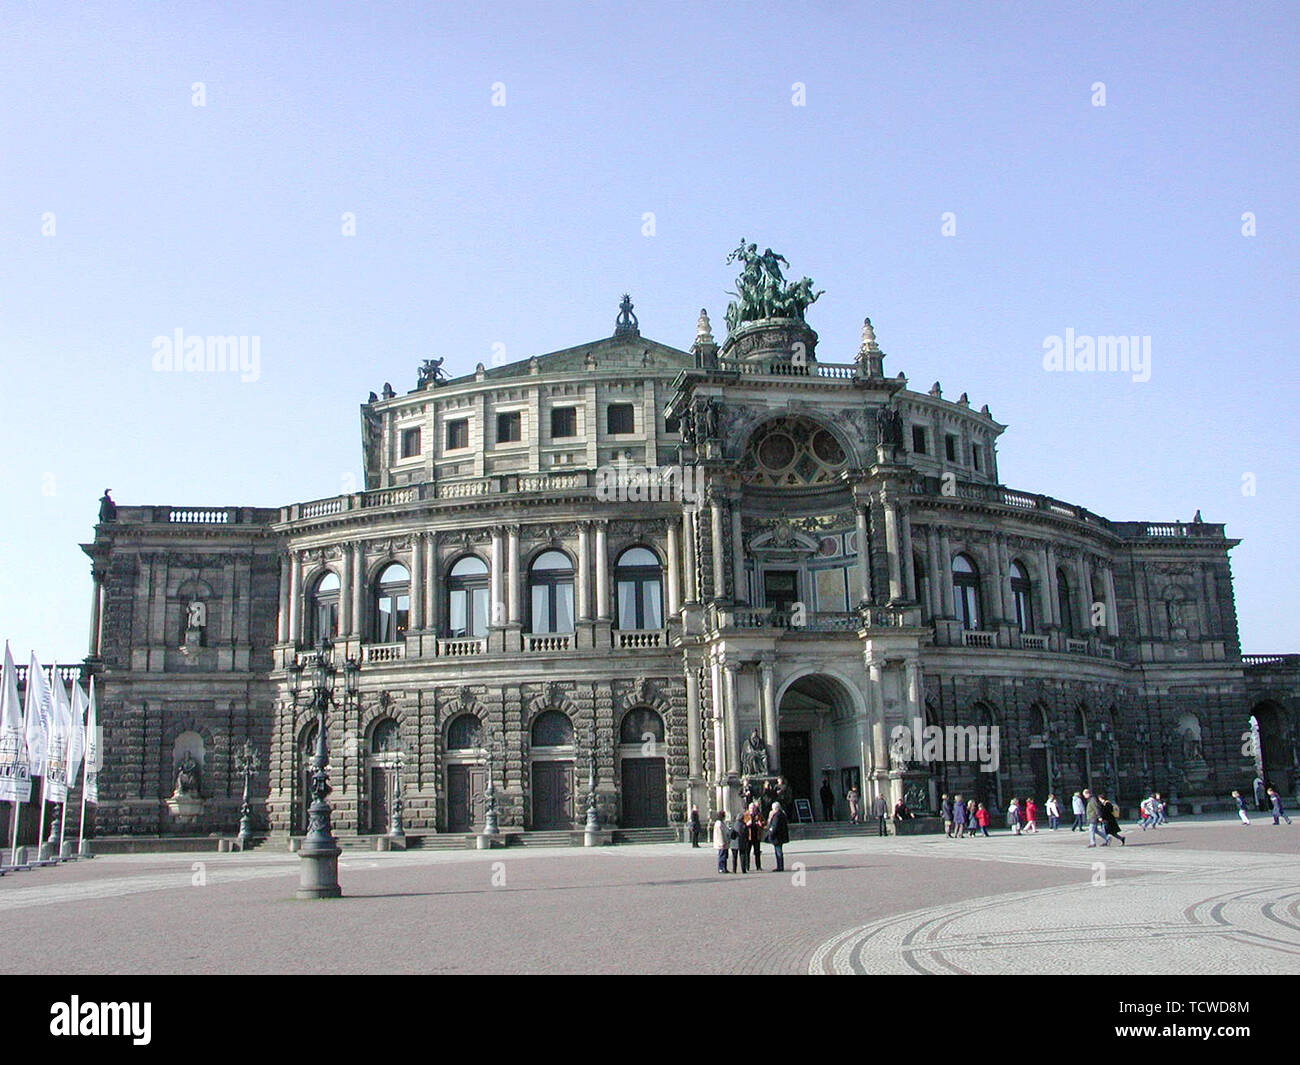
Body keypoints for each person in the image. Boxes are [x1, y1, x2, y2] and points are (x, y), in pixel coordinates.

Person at [767, 801, 790, 872]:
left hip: (778, 837)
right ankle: (780, 866)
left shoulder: (777, 815)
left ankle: (780, 866)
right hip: (781, 836)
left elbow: (774, 826)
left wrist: (770, 834)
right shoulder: (782, 814)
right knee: (779, 851)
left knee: (778, 852)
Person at [746, 803, 765, 870]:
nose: (752, 809)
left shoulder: (759, 814)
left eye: (754, 808)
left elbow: (763, 822)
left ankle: (758, 866)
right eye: (751, 808)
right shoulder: (746, 814)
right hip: (749, 836)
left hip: (757, 835)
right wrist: (747, 824)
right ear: (749, 808)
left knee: (757, 852)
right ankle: (747, 866)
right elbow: (743, 824)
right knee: (747, 852)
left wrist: (761, 824)